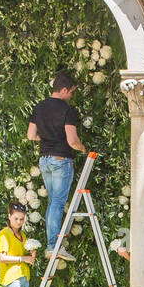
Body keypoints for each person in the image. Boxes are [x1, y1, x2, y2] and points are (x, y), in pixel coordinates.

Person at [27, 72, 87, 262]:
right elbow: (72, 140)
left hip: (44, 159)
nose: (71, 96)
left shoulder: (39, 107)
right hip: (61, 160)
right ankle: (53, 246)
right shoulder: (67, 110)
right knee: (57, 203)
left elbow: (30, 135)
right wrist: (82, 148)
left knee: (53, 202)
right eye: (71, 92)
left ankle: (53, 244)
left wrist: (46, 139)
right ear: (63, 89)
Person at [0, 201, 36, 287]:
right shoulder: (4, 233)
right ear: (9, 216)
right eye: (16, 218)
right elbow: (2, 258)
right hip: (11, 278)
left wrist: (31, 255)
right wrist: (23, 258)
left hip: (24, 275)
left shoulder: (22, 234)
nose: (19, 222)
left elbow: (23, 256)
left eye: (21, 219)